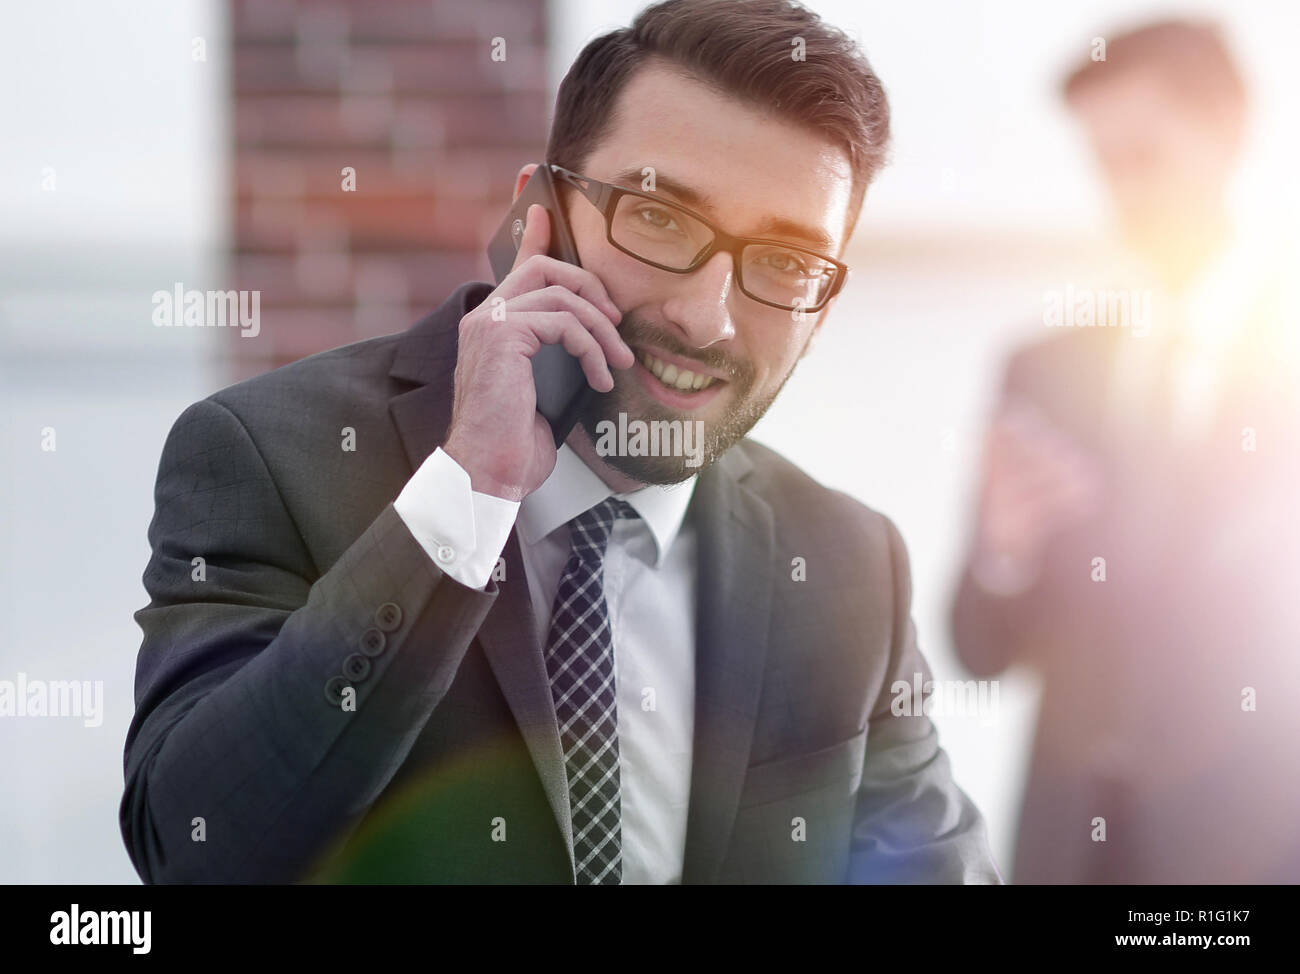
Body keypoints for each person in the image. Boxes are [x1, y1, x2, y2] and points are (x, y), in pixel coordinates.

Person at [121, 0, 1000, 884]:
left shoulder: (849, 562)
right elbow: (193, 845)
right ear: (537, 215)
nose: (707, 317)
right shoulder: (271, 457)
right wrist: (465, 496)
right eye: (659, 218)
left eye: (787, 263)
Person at [949, 19, 1300, 883]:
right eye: (1106, 164)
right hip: (1074, 851)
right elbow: (976, 648)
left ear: (1230, 136)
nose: (1125, 193)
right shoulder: (1041, 370)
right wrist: (1002, 553)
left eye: (1147, 156)